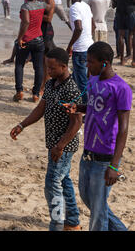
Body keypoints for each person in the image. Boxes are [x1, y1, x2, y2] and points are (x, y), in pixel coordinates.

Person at [10, 47, 83, 231]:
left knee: (52, 184)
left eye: (51, 68)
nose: (48, 72)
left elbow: (76, 123)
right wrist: (22, 125)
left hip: (63, 146)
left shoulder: (72, 88)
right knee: (63, 179)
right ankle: (72, 222)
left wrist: (60, 146)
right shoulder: (51, 84)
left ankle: (57, 224)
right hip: (54, 143)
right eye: (46, 68)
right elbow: (40, 109)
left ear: (64, 66)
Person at [64, 42, 132, 231]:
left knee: (97, 214)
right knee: (91, 201)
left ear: (105, 63)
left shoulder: (121, 88)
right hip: (88, 153)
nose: (87, 65)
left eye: (91, 62)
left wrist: (114, 165)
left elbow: (124, 129)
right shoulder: (93, 80)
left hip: (105, 159)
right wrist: (78, 108)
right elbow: (95, 107)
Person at [13, 0, 45, 102]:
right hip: (39, 39)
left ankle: (19, 91)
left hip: (26, 39)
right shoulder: (41, 5)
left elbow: (26, 22)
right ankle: (36, 93)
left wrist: (19, 38)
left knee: (19, 64)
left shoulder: (25, 6)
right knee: (38, 67)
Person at [67, 0, 94, 104]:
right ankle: (70, 100)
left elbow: (78, 28)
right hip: (89, 45)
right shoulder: (86, 6)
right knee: (75, 77)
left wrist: (70, 45)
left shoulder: (74, 8)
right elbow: (93, 25)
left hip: (80, 49)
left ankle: (87, 109)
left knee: (82, 81)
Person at [111, 0, 135, 66]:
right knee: (132, 34)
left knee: (120, 35)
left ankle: (122, 59)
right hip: (131, 10)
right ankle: (134, 60)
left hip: (120, 10)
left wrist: (115, 3)